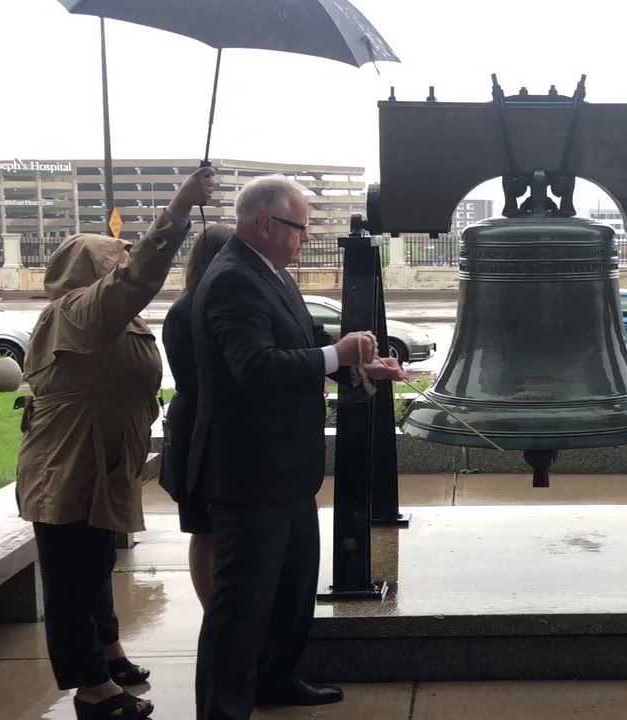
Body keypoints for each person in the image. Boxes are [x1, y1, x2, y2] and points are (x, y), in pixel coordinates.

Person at [189, 175, 402, 720]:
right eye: (300, 229)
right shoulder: (234, 280)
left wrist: (358, 367)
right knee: (239, 609)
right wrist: (338, 354)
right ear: (265, 224)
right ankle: (223, 710)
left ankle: (277, 679)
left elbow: (298, 350)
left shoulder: (272, 275)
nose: (305, 239)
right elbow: (256, 368)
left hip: (287, 471)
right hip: (251, 474)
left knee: (290, 593)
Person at [16, 166, 216, 720]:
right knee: (73, 575)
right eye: (115, 253)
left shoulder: (105, 316)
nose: (124, 255)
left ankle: (108, 652)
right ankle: (91, 688)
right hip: (71, 464)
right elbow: (139, 276)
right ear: (93, 266)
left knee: (97, 563)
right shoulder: (79, 311)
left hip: (102, 461)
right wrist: (178, 208)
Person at [160, 223, 234, 605]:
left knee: (208, 528)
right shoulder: (190, 310)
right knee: (203, 528)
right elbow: (198, 381)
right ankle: (211, 608)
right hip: (198, 433)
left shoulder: (188, 306)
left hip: (198, 426)